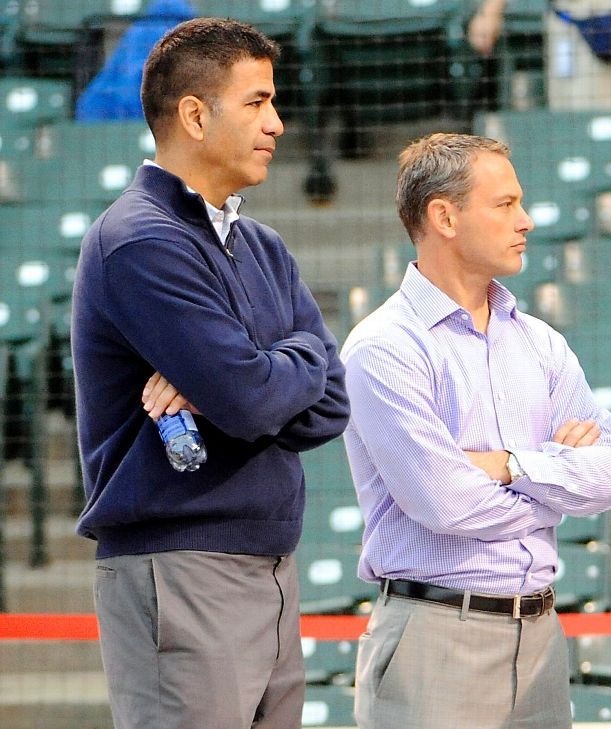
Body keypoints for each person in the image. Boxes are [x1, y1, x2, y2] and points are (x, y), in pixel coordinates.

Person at [72, 17, 349, 729]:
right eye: (257, 102)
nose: (277, 124)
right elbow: (250, 402)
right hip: (181, 566)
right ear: (195, 116)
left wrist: (265, 365)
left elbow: (330, 404)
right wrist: (281, 363)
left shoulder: (262, 245)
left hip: (269, 567)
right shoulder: (138, 240)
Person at [341, 133, 611, 728]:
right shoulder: (384, 347)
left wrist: (507, 466)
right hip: (436, 640)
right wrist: (556, 488)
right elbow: (447, 503)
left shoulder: (540, 342)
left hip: (542, 640)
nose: (526, 221)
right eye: (505, 204)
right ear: (444, 217)